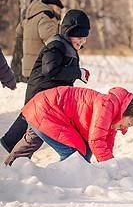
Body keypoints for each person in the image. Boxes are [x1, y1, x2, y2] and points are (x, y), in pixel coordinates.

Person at [1, 9, 90, 153]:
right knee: (28, 122)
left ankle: (16, 157)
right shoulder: (56, 45)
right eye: (78, 37)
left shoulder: (67, 46)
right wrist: (77, 72)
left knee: (33, 128)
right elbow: (50, 70)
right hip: (39, 91)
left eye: (84, 37)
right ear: (68, 32)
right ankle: (6, 151)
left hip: (47, 95)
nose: (82, 41)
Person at [4, 86, 133, 165]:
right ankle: (63, 184)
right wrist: (110, 167)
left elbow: (106, 142)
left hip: (43, 106)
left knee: (85, 151)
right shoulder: (106, 106)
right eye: (129, 123)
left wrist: (109, 163)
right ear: (125, 112)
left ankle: (9, 170)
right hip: (47, 111)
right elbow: (96, 140)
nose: (125, 128)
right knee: (75, 157)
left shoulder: (114, 115)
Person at [19, 0, 63, 79]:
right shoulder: (47, 17)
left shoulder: (29, 17)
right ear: (50, 6)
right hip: (41, 67)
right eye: (58, 9)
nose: (59, 13)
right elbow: (52, 40)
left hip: (29, 67)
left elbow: (18, 32)